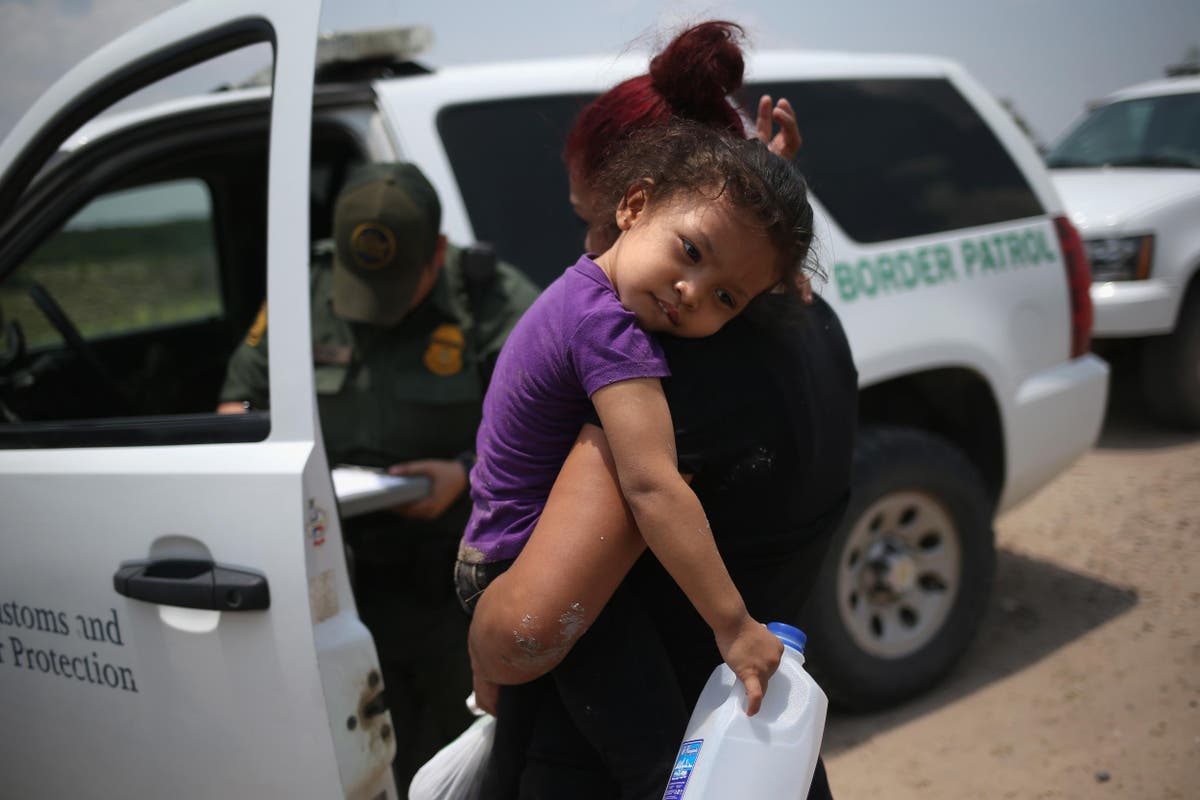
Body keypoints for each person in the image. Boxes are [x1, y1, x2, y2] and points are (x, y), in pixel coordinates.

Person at [460, 21, 855, 799]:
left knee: (657, 770)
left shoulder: (640, 339)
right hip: (747, 733)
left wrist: (486, 653)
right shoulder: (806, 324)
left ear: (632, 197)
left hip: (580, 677)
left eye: (726, 294)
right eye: (691, 254)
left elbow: (538, 617)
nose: (690, 296)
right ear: (640, 203)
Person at [216, 161, 540, 788]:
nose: (375, 311)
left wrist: (465, 474)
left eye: (396, 288)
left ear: (437, 254)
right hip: (333, 581)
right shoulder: (304, 292)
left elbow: (553, 434)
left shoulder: (492, 301)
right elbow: (237, 407)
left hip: (458, 589)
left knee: (465, 770)